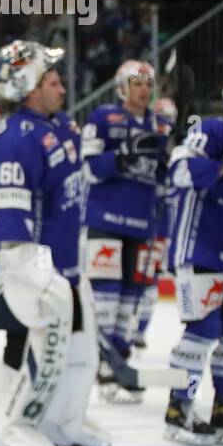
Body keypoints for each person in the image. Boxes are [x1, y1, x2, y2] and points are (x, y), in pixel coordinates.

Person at [0, 41, 108, 446]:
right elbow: (10, 221)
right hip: (22, 267)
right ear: (29, 88)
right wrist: (35, 274)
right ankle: (5, 430)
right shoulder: (15, 140)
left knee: (79, 355)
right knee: (30, 348)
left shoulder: (62, 128)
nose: (62, 87)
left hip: (66, 266)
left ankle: (62, 425)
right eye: (52, 81)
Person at [162, 74, 223, 445]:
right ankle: (179, 407)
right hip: (202, 247)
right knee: (203, 331)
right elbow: (179, 172)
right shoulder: (213, 130)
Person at [80, 60, 166, 404]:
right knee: (106, 296)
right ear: (121, 87)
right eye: (137, 82)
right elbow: (90, 169)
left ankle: (120, 361)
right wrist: (123, 155)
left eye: (148, 83)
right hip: (107, 219)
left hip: (143, 223)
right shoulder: (103, 117)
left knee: (132, 299)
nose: (144, 89)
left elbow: (162, 178)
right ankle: (101, 362)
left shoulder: (159, 125)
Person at [132, 96, 178, 352]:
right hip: (141, 218)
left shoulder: (177, 145)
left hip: (161, 223)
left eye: (167, 120)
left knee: (149, 276)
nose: (163, 125)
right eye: (160, 120)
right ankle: (130, 327)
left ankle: (138, 328)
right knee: (136, 276)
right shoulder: (146, 141)